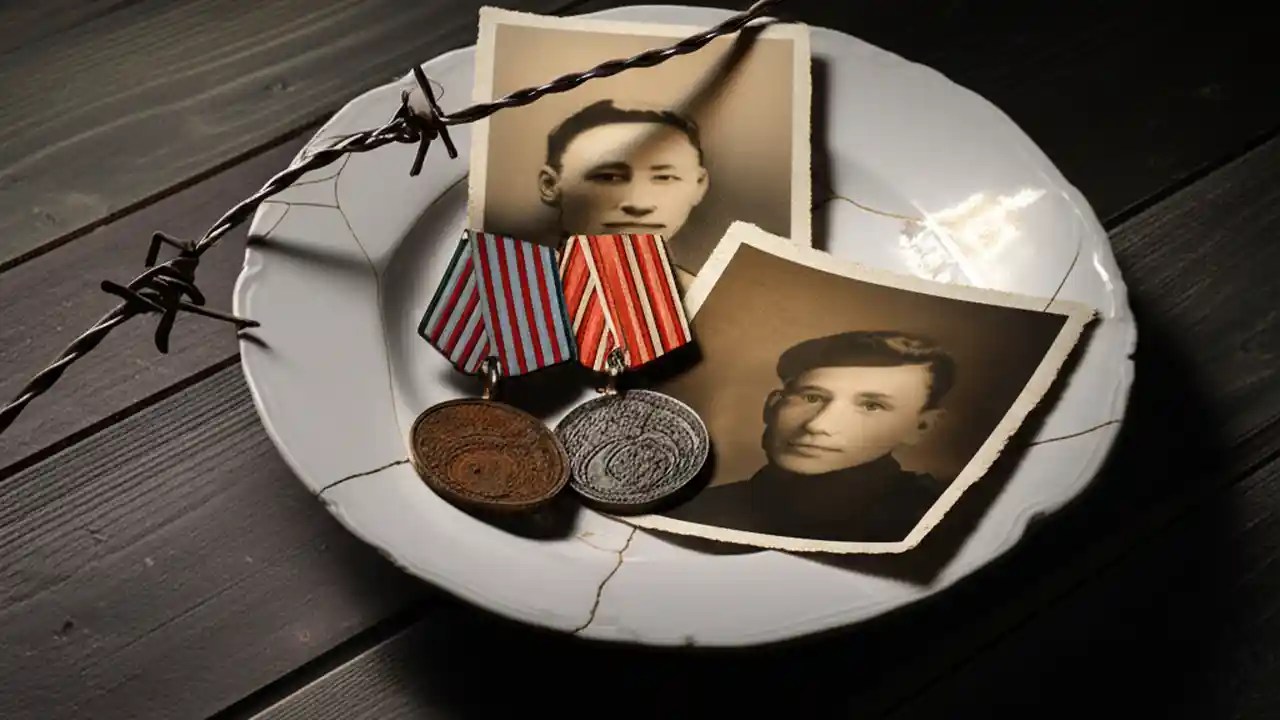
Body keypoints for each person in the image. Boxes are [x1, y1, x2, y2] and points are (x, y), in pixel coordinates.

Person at [664, 330, 955, 543]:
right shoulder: (697, 509)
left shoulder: (933, 521)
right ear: (772, 405)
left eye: (871, 405)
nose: (818, 425)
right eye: (812, 397)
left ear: (921, 427)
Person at [538, 99, 709, 291]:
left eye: (664, 177)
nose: (639, 204)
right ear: (549, 185)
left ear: (699, 185)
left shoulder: (711, 302)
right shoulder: (521, 291)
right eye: (609, 177)